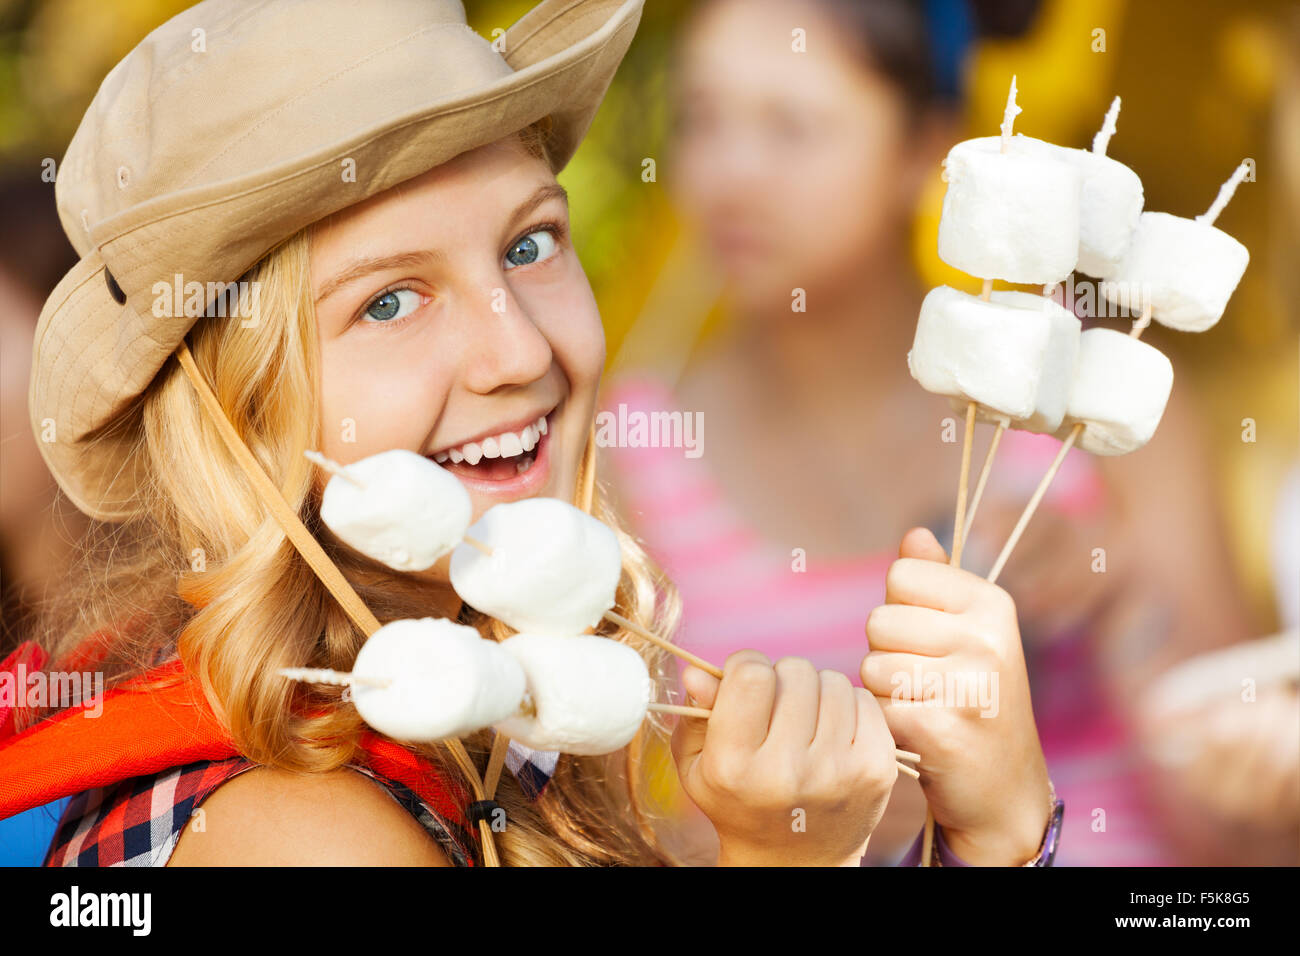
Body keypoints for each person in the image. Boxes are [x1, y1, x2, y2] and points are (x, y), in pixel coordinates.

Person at [0, 0, 1056, 867]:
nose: (516, 349)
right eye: (387, 301)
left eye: (529, 242)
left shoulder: (501, 748)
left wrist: (998, 836)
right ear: (240, 417)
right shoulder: (295, 833)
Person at [603, 0, 1255, 865]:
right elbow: (635, 831)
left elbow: (1250, 839)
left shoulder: (1094, 397)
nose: (730, 174)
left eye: (791, 127)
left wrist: (1119, 601)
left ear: (926, 150)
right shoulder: (630, 451)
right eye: (701, 119)